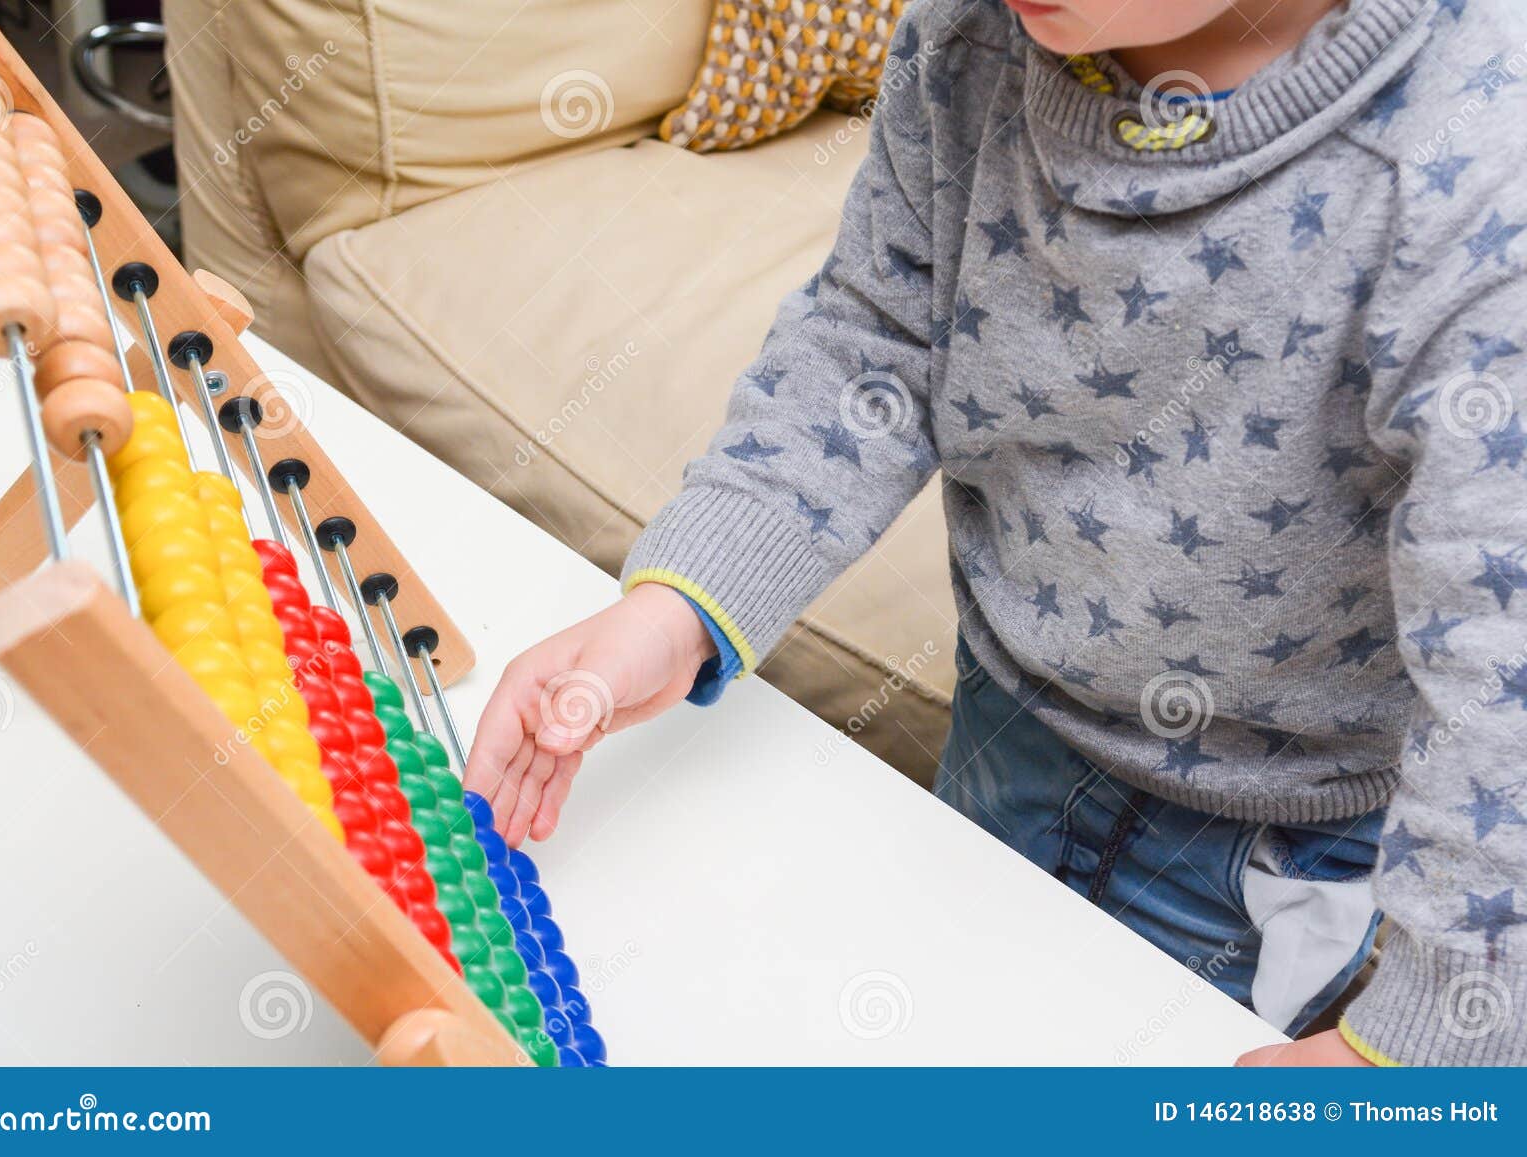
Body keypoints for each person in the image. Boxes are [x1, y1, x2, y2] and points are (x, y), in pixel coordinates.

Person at [470, 0, 1527, 1066]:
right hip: (1003, 730)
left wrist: (1416, 1041)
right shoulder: (967, 36)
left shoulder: (1476, 160)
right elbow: (878, 338)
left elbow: (1503, 663)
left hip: (1284, 847)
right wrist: (677, 607)